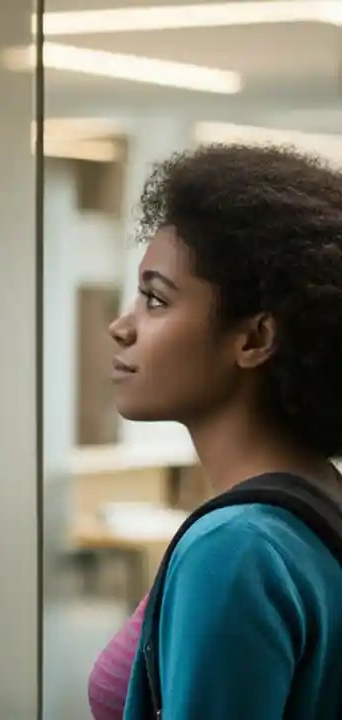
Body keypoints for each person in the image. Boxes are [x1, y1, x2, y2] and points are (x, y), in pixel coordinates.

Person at [88, 143, 342, 719]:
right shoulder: (318, 499)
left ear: (253, 339)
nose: (121, 326)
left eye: (155, 299)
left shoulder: (237, 548)